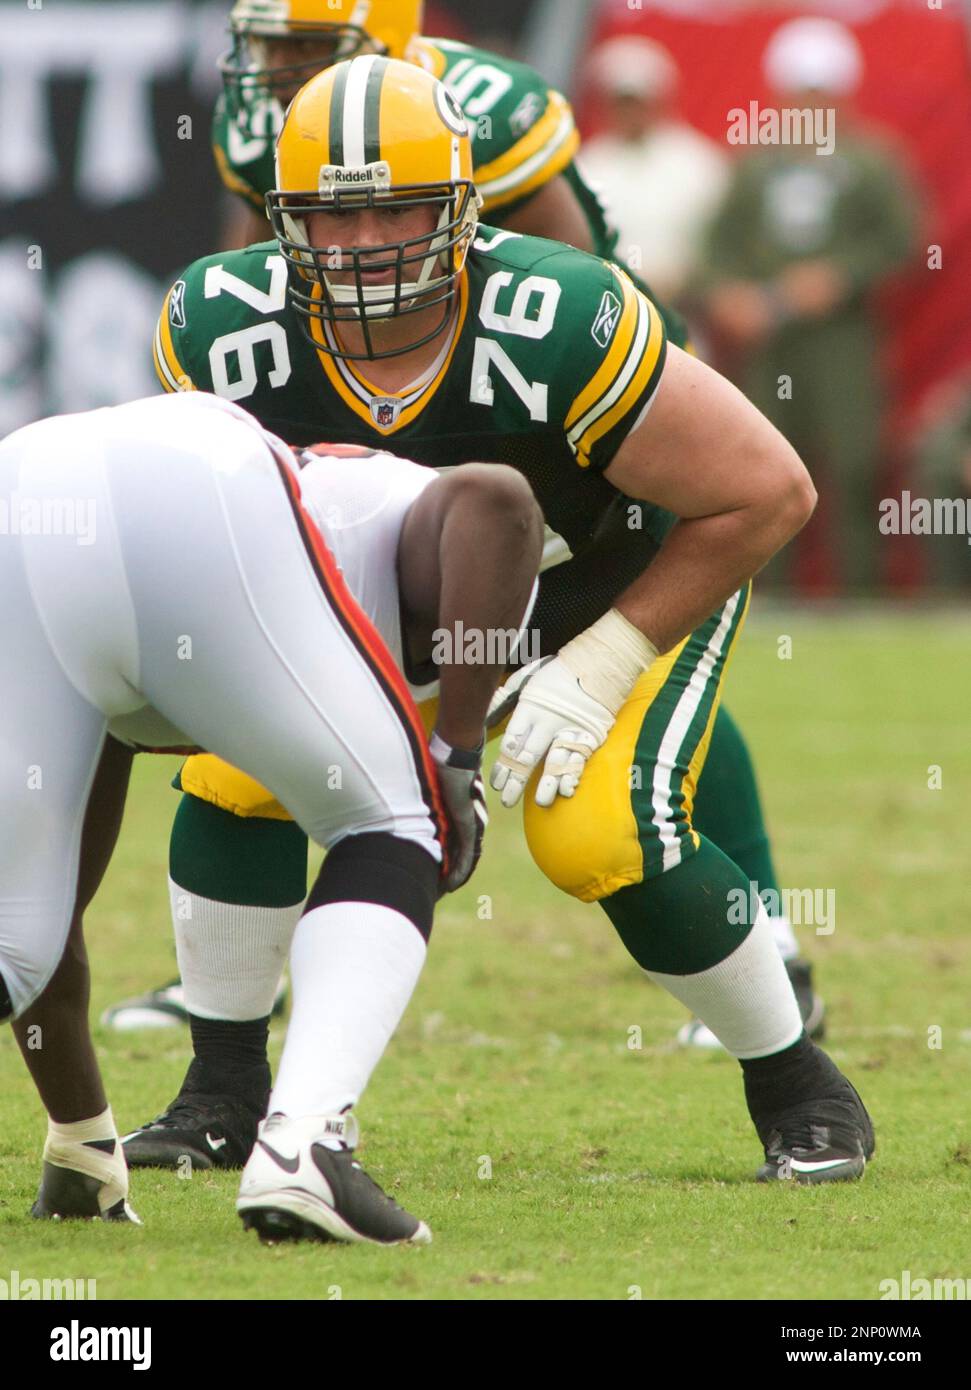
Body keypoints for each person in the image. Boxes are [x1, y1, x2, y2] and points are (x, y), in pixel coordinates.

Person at [133, 56, 872, 1185]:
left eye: (396, 206)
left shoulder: (559, 318)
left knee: (598, 834)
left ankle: (793, 1081)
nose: (364, 242)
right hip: (400, 609)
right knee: (234, 776)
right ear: (280, 219)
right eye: (332, 216)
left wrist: (605, 657)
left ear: (463, 211)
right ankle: (223, 1091)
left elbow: (763, 492)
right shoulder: (221, 327)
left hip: (610, 586)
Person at [0, 388, 544, 1243]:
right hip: (196, 478)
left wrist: (82, 1141)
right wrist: (457, 750)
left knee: (14, 938)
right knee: (399, 825)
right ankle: (304, 1149)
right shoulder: (390, 511)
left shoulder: (155, 644)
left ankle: (77, 1146)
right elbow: (500, 498)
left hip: (23, 482)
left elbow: (58, 893)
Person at [700, 16, 918, 594]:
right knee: (769, 471)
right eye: (802, 91)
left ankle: (860, 596)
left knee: (853, 463)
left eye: (821, 91)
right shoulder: (755, 167)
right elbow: (718, 248)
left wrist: (841, 277)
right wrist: (731, 293)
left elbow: (902, 240)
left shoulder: (873, 160)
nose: (811, 103)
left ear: (843, 93)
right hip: (773, 341)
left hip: (842, 338)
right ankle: (769, 600)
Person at [579, 36, 730, 305]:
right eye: (621, 102)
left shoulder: (699, 163)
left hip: (685, 309)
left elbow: (722, 243)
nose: (629, 112)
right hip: (607, 307)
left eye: (637, 101)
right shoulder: (587, 164)